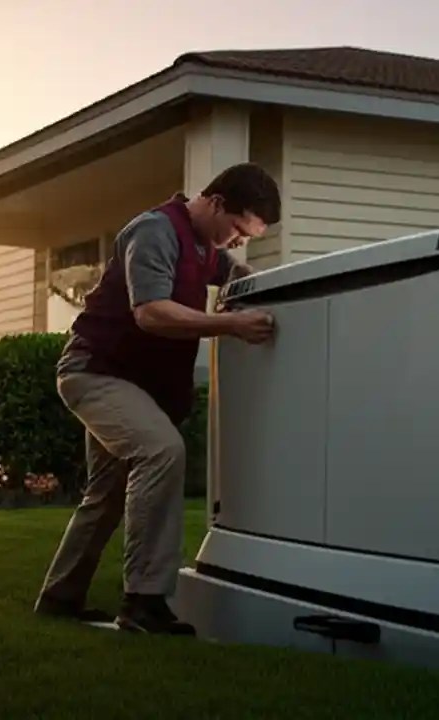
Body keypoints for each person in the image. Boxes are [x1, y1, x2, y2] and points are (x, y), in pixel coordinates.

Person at [34, 162, 280, 634]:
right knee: (161, 451)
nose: (238, 241)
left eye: (247, 236)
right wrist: (230, 325)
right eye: (237, 229)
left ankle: (59, 600)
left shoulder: (208, 248)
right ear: (216, 202)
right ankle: (145, 602)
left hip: (128, 382)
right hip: (94, 372)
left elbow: (243, 275)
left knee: (104, 496)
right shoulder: (155, 231)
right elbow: (150, 313)